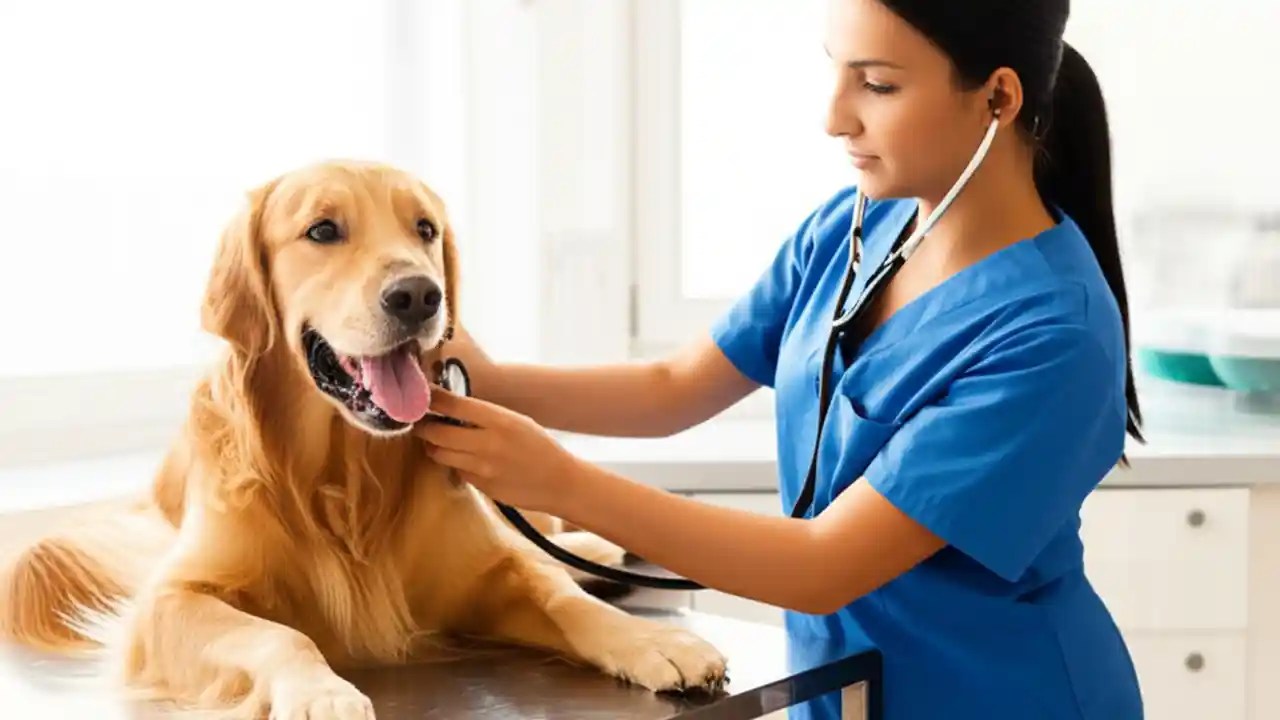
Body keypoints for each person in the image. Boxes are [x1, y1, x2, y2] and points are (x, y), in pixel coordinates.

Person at [416, 0, 1146, 717]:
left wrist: (560, 481)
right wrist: (492, 383)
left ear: (997, 95)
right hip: (845, 693)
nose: (835, 117)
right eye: (836, 72)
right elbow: (675, 388)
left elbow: (823, 565)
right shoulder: (851, 228)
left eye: (878, 84)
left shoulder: (1052, 334)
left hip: (1001, 699)